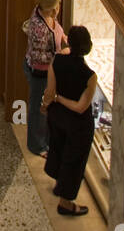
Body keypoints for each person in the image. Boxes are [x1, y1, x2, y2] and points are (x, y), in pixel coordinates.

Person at [42, 25, 98, 217]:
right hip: (78, 124)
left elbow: (49, 92)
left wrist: (51, 102)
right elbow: (80, 107)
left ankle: (58, 182)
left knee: (58, 147)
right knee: (74, 161)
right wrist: (62, 99)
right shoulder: (90, 76)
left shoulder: (57, 61)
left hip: (57, 116)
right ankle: (65, 203)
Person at [23, 0, 68, 156]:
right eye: (53, 8)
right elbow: (37, 55)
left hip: (49, 72)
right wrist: (59, 54)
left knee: (46, 108)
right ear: (45, 8)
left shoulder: (49, 17)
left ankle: (47, 141)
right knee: (39, 109)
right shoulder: (38, 27)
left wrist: (63, 38)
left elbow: (57, 30)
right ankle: (37, 145)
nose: (56, 11)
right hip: (39, 73)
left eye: (57, 7)